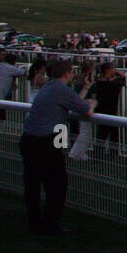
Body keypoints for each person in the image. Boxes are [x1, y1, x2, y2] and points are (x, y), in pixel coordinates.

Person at [19, 60, 94, 235]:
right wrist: (92, 104)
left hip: (29, 139)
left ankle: (35, 222)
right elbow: (86, 111)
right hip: (46, 141)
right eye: (71, 73)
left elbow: (69, 103)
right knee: (57, 184)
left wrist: (83, 90)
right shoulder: (61, 89)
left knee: (33, 184)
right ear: (66, 74)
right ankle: (51, 224)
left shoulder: (49, 86)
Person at [86, 63, 127, 153]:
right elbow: (124, 81)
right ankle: (112, 153)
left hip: (103, 108)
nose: (114, 70)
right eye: (112, 68)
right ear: (107, 70)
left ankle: (99, 152)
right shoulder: (113, 82)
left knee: (102, 132)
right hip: (110, 108)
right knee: (110, 133)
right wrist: (121, 74)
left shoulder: (99, 81)